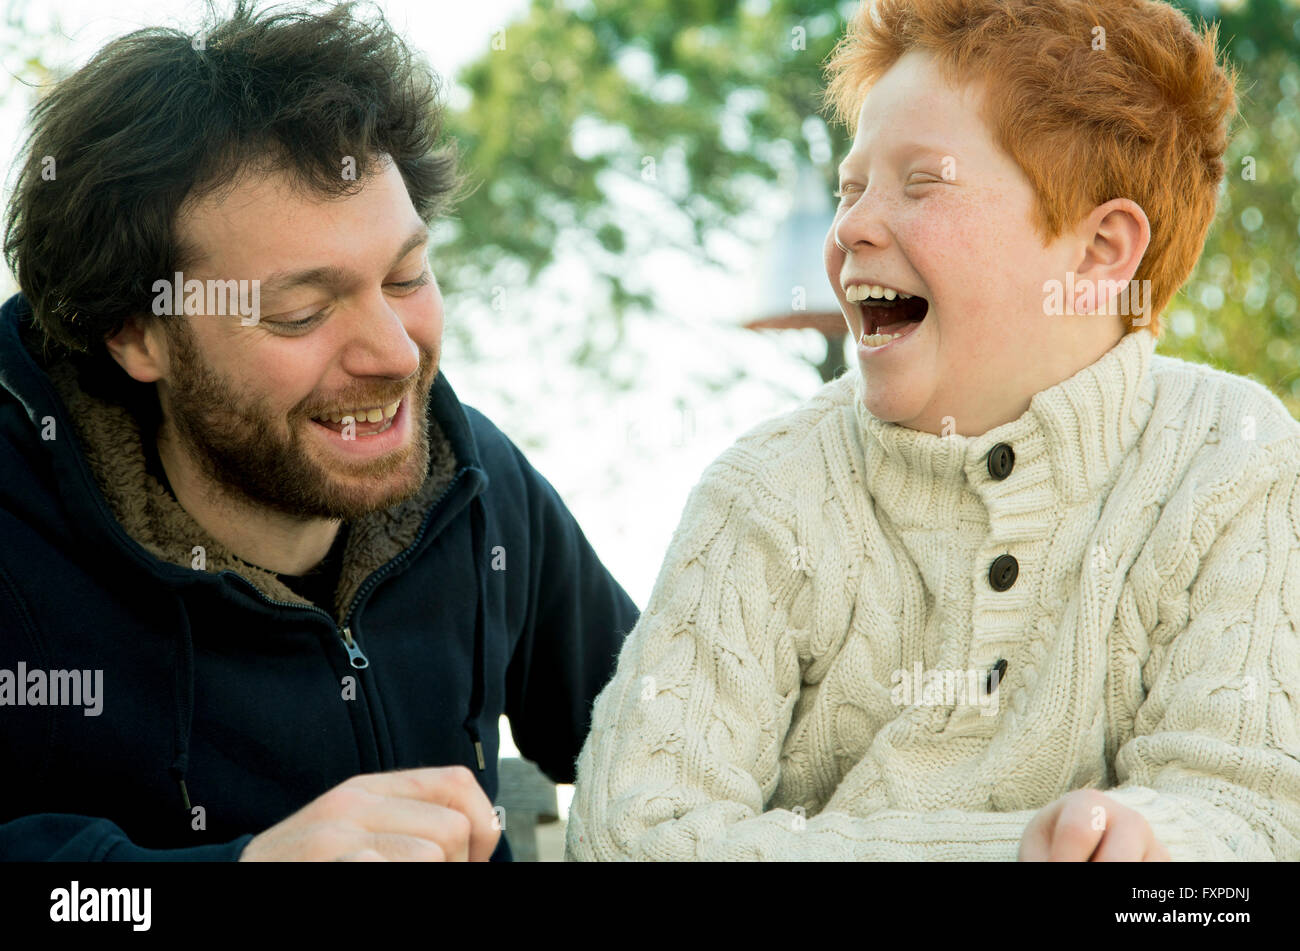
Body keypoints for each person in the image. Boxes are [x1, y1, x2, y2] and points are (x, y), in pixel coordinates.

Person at [567, 0, 1300, 861]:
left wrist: (1152, 853)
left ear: (1101, 250)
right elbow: (631, 835)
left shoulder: (1230, 453)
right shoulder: (766, 490)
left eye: (922, 182)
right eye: (852, 189)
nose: (849, 229)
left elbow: (1252, 821)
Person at [0, 0, 638, 862]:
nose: (392, 353)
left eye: (407, 276)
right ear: (135, 333)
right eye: (300, 312)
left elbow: (687, 750)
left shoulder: (478, 483)